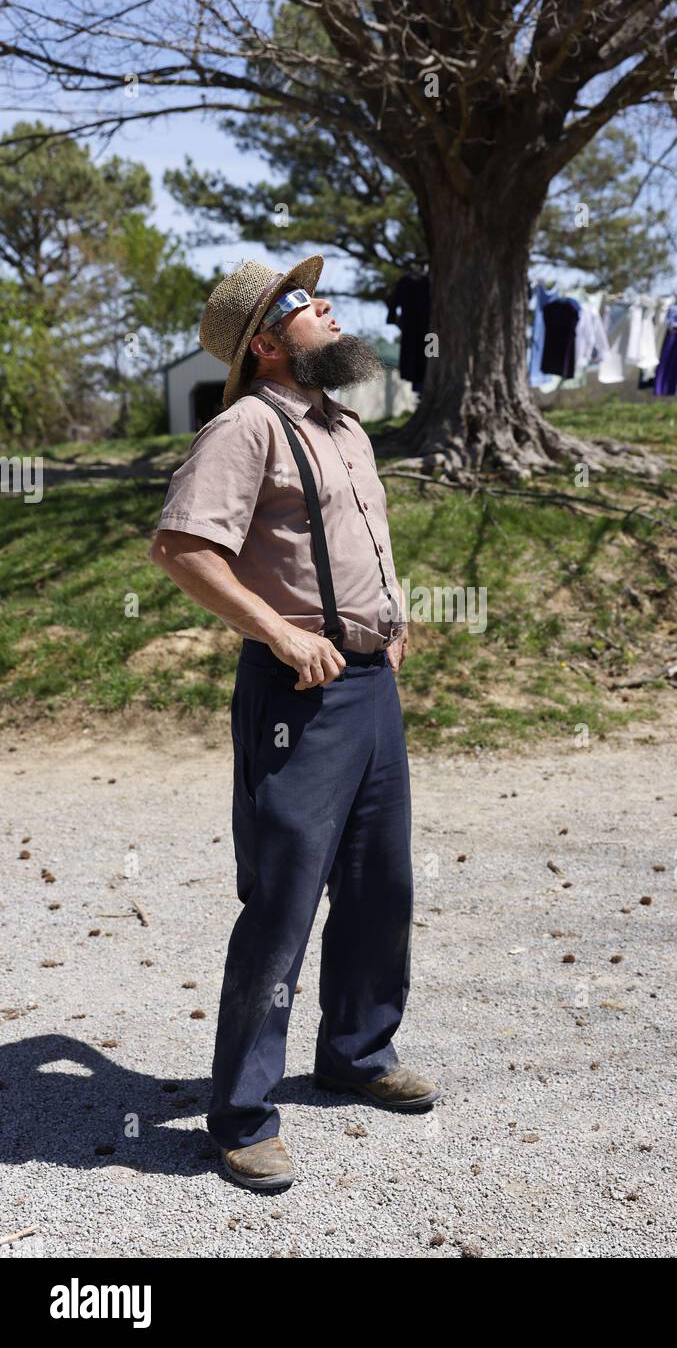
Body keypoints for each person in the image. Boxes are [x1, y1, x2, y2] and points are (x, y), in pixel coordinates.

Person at [149, 256, 441, 1191]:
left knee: (379, 881)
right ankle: (239, 1114)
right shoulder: (244, 426)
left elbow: (354, 545)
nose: (327, 307)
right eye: (305, 304)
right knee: (282, 903)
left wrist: (387, 625)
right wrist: (276, 632)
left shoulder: (343, 424)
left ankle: (355, 1054)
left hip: (369, 687)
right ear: (267, 344)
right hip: (296, 697)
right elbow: (182, 547)